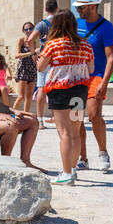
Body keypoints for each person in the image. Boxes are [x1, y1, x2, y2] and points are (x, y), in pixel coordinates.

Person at [36, 9, 94, 185]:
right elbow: (91, 69)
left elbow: (40, 67)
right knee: (75, 132)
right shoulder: (85, 44)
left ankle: (66, 173)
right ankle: (73, 169)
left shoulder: (53, 45)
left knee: (64, 133)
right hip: (80, 91)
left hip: (59, 91)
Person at [72, 0, 113, 172]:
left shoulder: (107, 27)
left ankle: (102, 152)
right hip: (75, 78)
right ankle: (82, 158)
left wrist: (104, 83)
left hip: (96, 76)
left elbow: (112, 57)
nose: (78, 10)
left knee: (94, 115)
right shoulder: (75, 24)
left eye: (81, 7)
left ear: (92, 6)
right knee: (76, 118)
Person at [33, 0, 59, 129]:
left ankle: (40, 119)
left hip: (44, 57)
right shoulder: (61, 23)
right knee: (56, 87)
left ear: (45, 9)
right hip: (58, 58)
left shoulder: (41, 24)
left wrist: (33, 54)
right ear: (57, 9)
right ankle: (56, 117)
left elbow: (30, 39)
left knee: (41, 88)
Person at [13, 21, 38, 111]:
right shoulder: (21, 41)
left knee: (29, 97)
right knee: (21, 96)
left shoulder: (34, 42)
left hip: (32, 69)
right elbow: (16, 55)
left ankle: (25, 115)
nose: (28, 31)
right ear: (23, 31)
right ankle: (12, 114)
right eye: (26, 29)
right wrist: (30, 53)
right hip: (23, 68)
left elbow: (35, 57)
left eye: (31, 28)